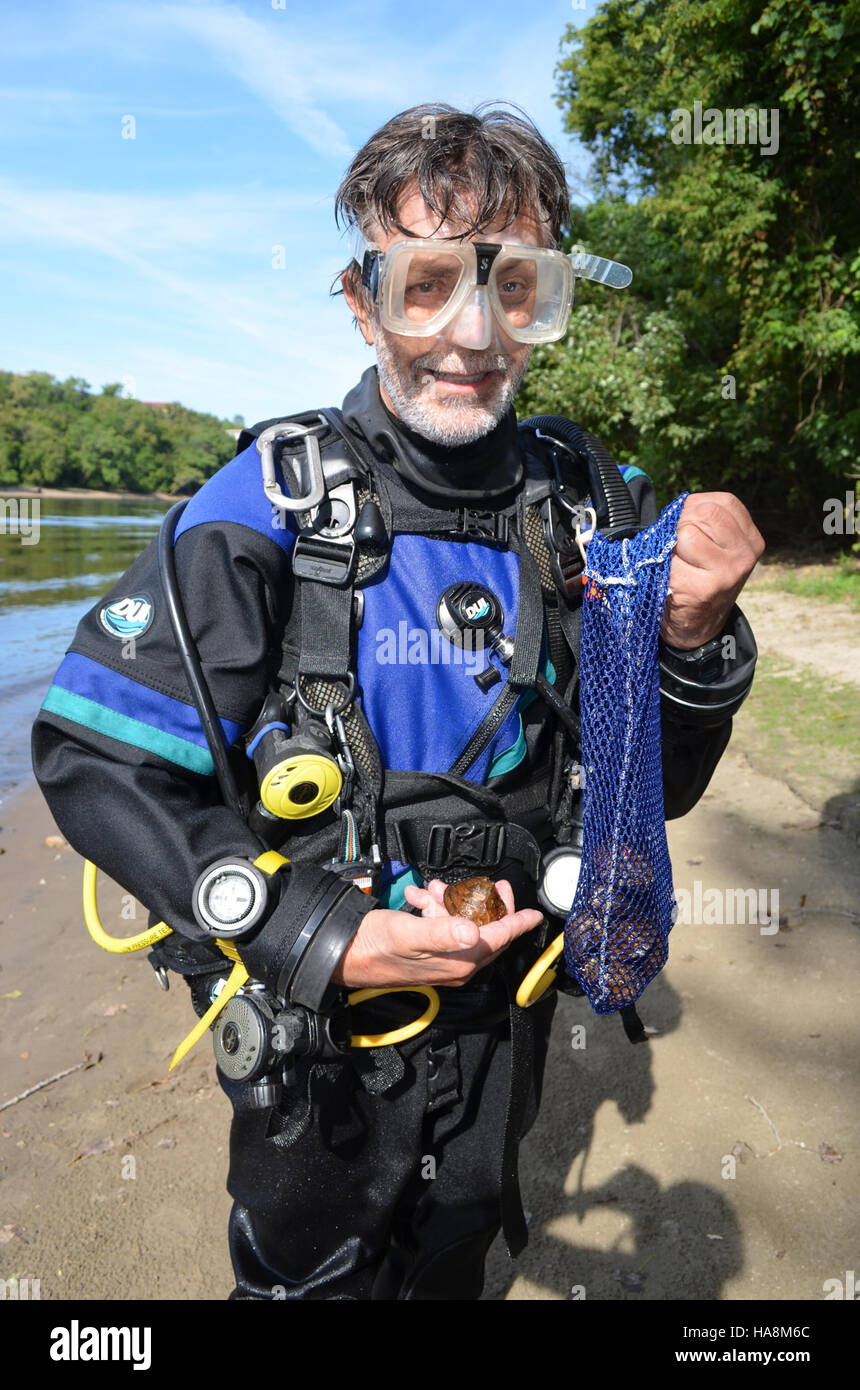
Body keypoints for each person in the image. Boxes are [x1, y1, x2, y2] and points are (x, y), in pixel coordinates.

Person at [31, 102, 764, 1300]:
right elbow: (91, 757)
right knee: (306, 1273)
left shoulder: (594, 514)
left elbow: (657, 786)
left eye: (513, 286)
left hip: (502, 1020)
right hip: (314, 1033)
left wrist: (693, 635)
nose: (470, 334)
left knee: (454, 1248)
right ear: (361, 297)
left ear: (544, 303)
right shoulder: (263, 504)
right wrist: (311, 933)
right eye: (427, 284)